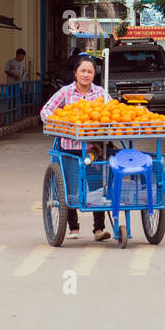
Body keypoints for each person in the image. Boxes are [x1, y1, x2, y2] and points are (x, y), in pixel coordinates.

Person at [39, 56, 113, 241]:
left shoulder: (100, 93)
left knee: (96, 186)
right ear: (76, 73)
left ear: (94, 74)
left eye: (90, 72)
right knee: (70, 187)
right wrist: (61, 123)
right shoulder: (66, 92)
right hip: (70, 147)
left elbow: (113, 111)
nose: (86, 75)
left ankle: (99, 229)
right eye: (83, 71)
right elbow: (45, 111)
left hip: (93, 149)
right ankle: (73, 227)